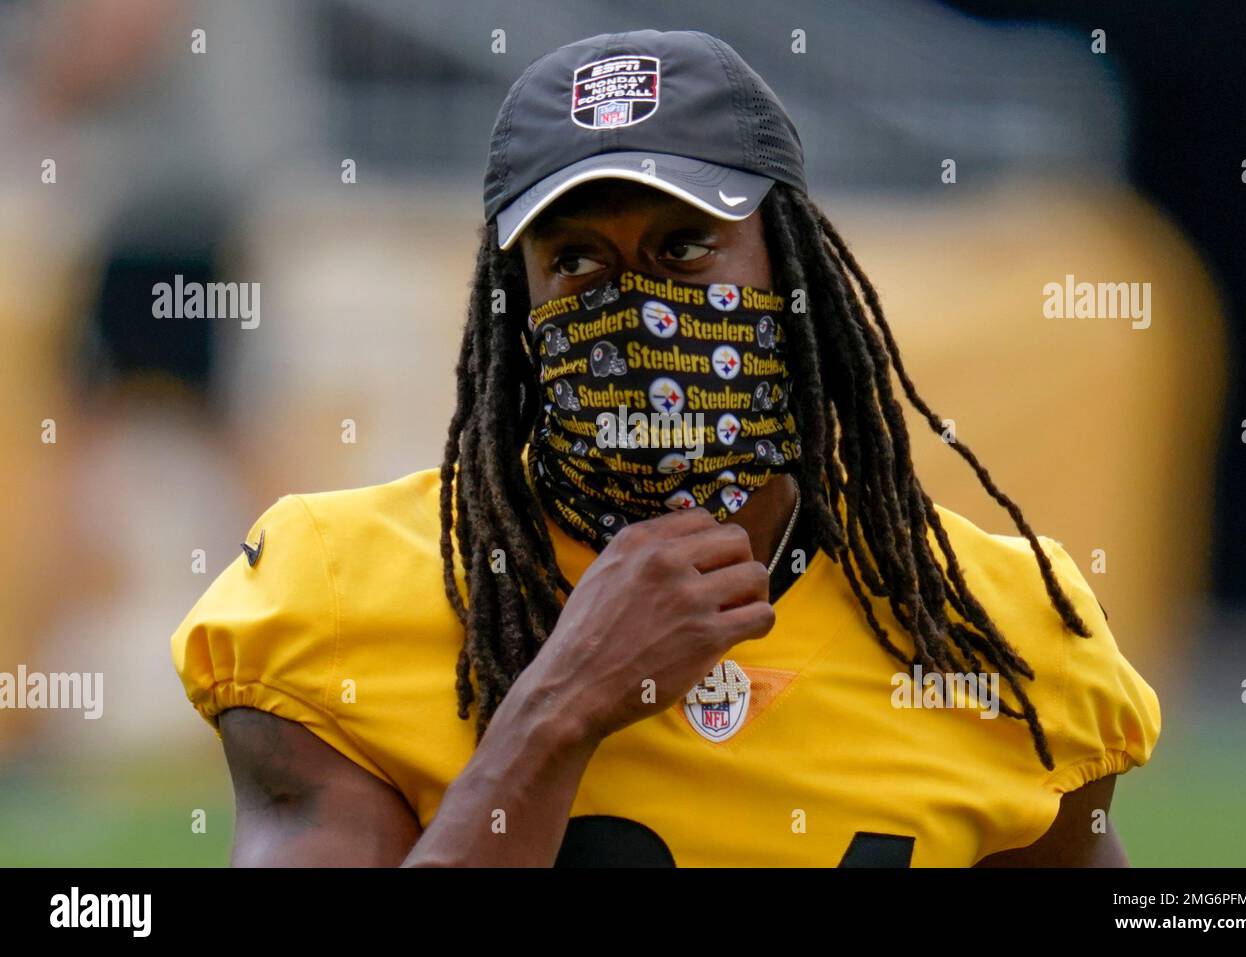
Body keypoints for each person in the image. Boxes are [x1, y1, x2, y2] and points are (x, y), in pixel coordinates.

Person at [170, 29, 1160, 867]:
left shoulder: (998, 627)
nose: (637, 311)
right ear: (518, 314)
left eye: (685, 249)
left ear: (791, 269)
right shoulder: (335, 593)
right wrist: (561, 705)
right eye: (577, 261)